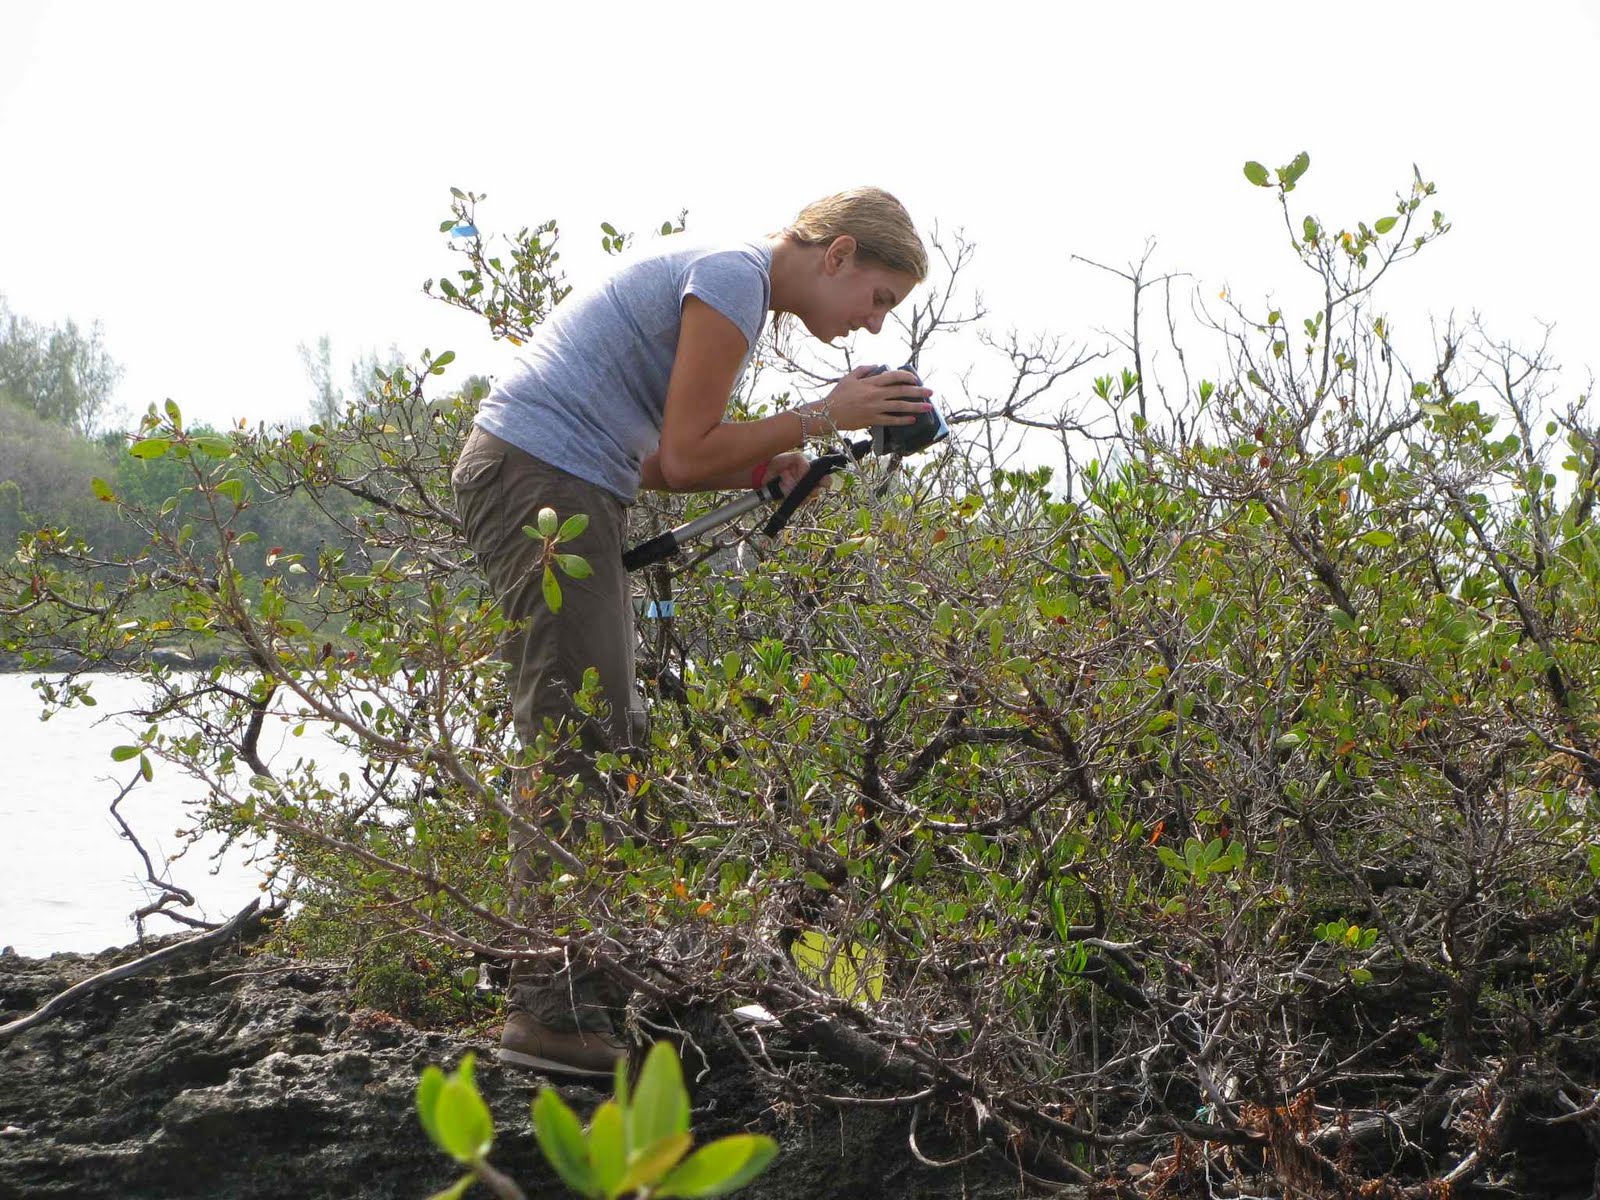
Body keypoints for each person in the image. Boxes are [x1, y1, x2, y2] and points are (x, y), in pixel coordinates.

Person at [451, 186, 933, 1074]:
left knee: (609, 729)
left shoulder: (732, 281)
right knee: (576, 731)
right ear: (836, 257)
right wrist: (827, 413)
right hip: (538, 478)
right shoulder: (731, 278)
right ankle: (548, 1011)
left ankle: (596, 985)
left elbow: (671, 460)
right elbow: (678, 454)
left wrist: (760, 465)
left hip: (561, 478)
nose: (871, 327)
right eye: (878, 299)